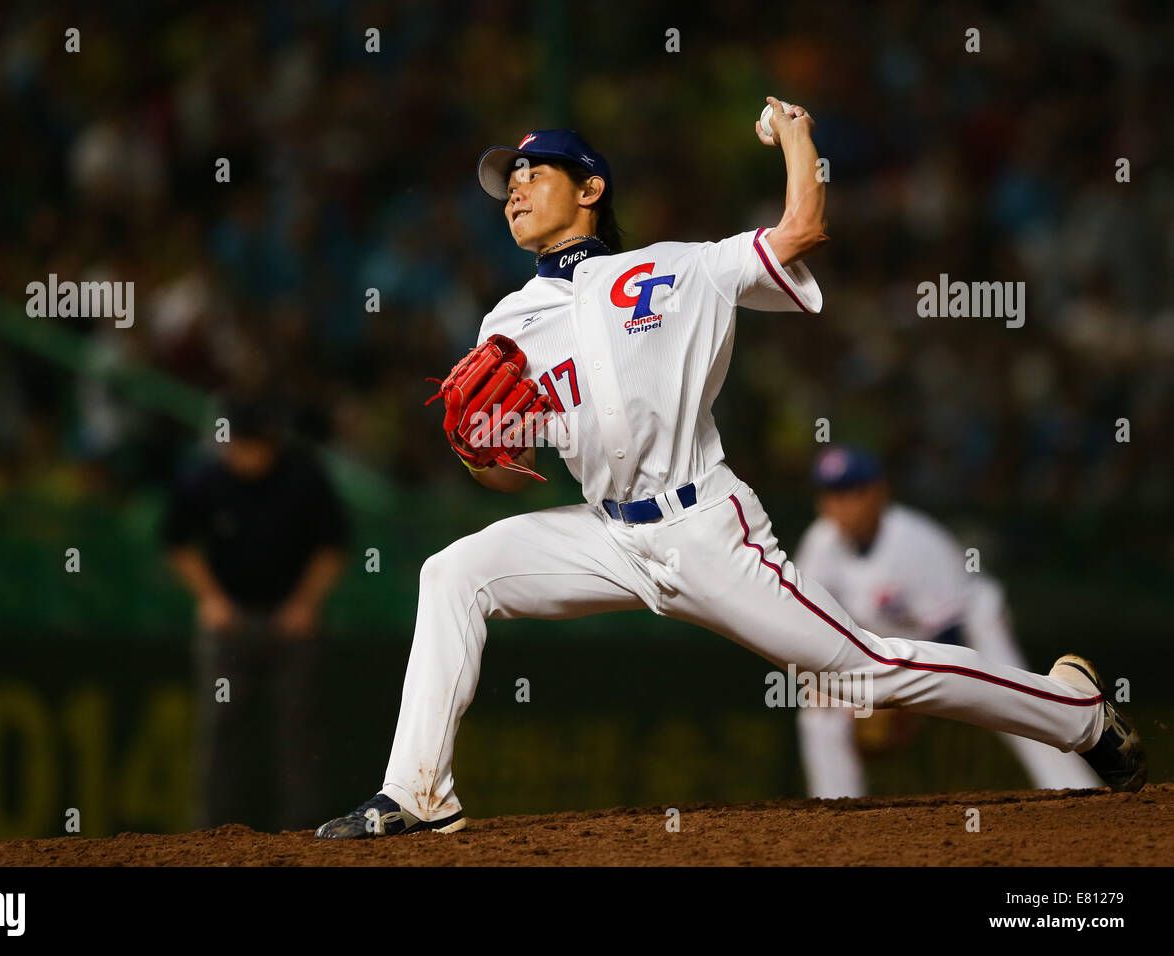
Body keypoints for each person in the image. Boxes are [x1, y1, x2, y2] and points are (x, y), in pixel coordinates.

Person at [316, 102, 1144, 839]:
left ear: (591, 188)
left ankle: (1077, 714)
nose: (517, 190)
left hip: (704, 528)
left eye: (535, 172)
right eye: (510, 183)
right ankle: (417, 792)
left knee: (867, 672)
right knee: (453, 572)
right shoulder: (509, 321)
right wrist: (479, 455)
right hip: (606, 534)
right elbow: (511, 472)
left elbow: (800, 232)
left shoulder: (675, 269)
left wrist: (797, 137)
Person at [794, 446, 1101, 797]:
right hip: (892, 644)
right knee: (820, 711)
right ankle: (837, 807)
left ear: (879, 491)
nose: (840, 505)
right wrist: (824, 684)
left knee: (1015, 708)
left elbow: (949, 636)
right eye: (830, 494)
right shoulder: (820, 543)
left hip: (969, 626)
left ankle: (1079, 791)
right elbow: (807, 624)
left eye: (852, 492)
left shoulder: (914, 541)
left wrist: (906, 704)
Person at [163, 397, 348, 831]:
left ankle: (307, 829)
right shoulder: (204, 477)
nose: (246, 454)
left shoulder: (303, 475)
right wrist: (209, 598)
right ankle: (210, 831)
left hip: (291, 625)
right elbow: (176, 541)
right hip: (229, 625)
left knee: (299, 730)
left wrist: (305, 602)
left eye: (255, 444)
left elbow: (333, 545)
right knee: (221, 730)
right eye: (238, 444)